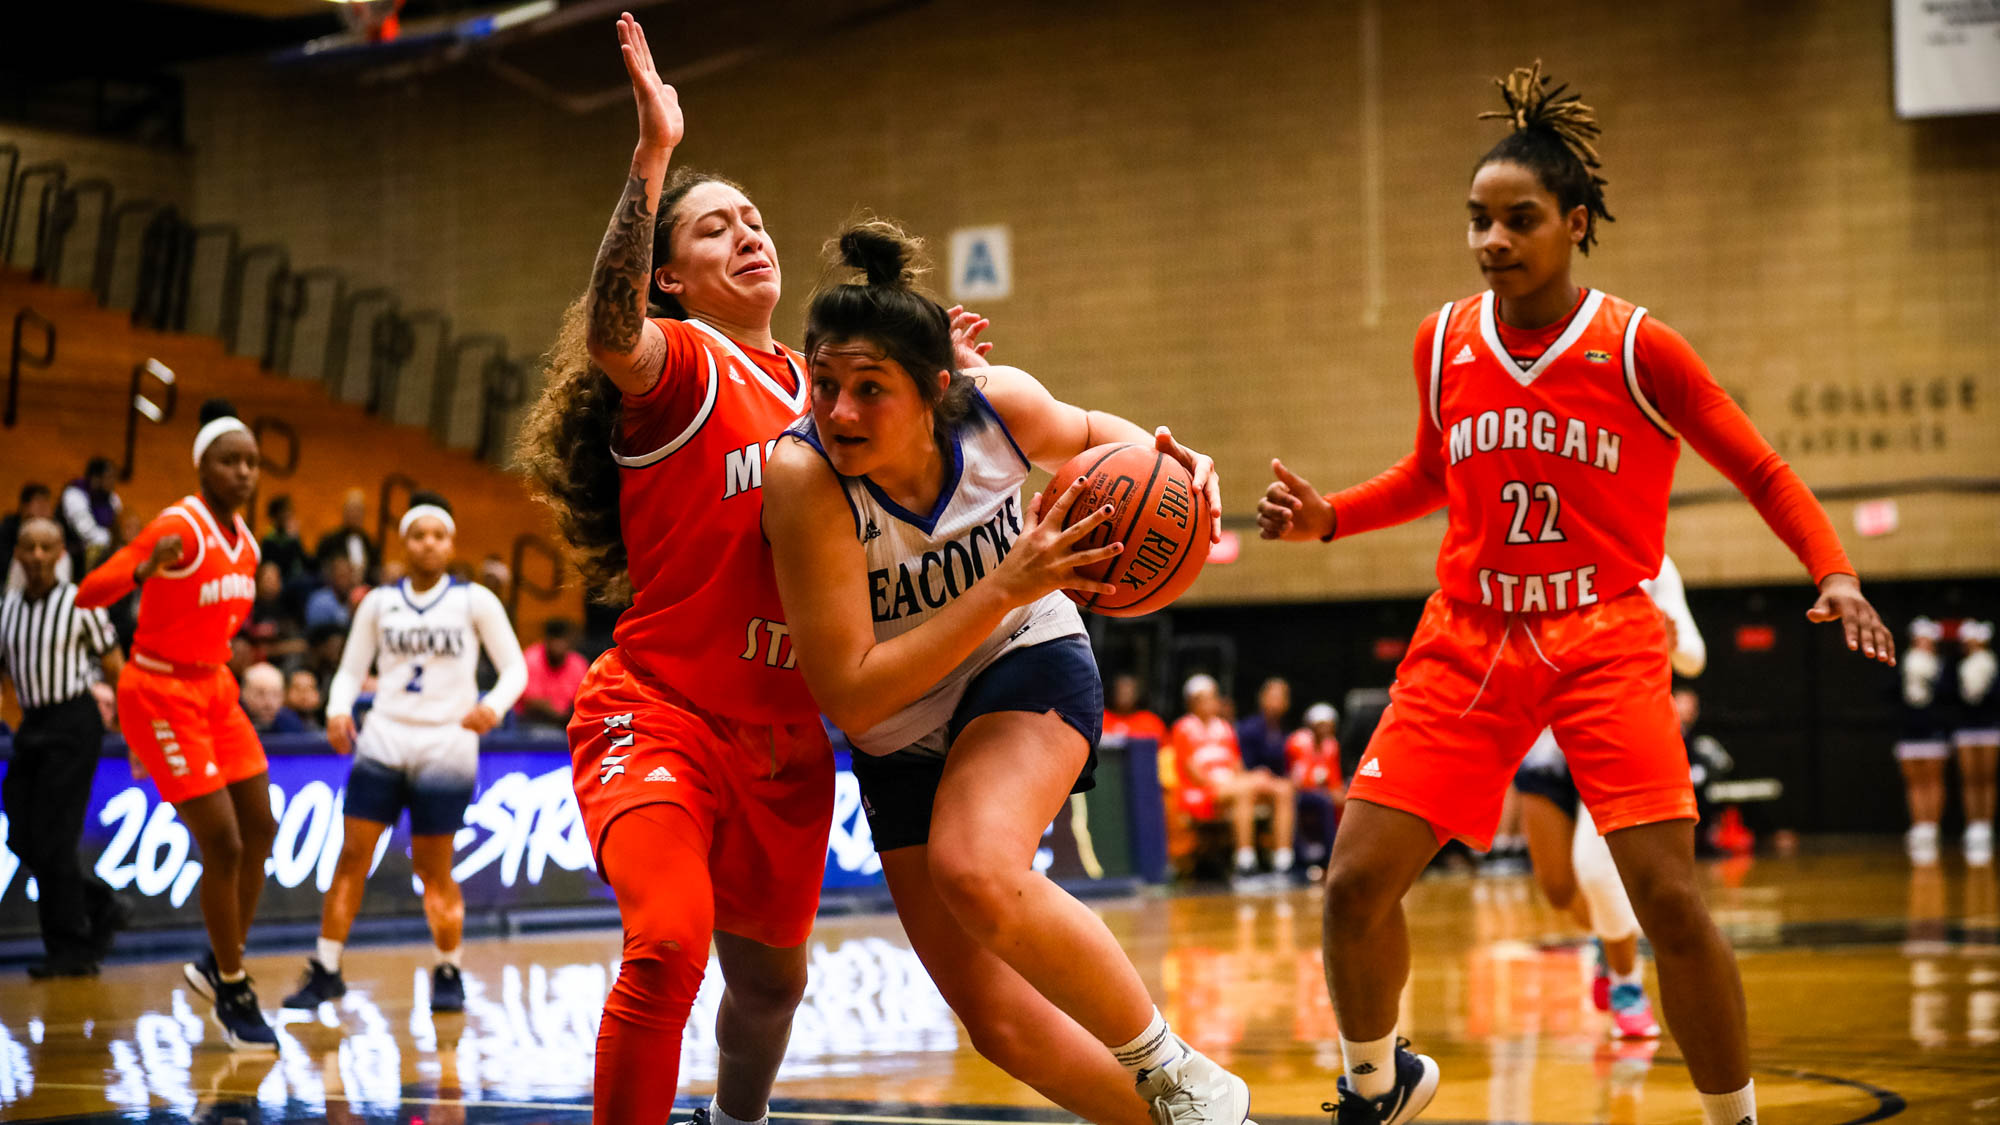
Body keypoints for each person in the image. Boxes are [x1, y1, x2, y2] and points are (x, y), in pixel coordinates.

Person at [1256, 63, 1894, 1125]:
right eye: (1475, 222)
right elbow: (1428, 476)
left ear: (1575, 223)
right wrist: (1330, 517)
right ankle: (1377, 1083)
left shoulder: (1638, 347)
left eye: (1517, 220)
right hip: (1468, 632)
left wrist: (1832, 570)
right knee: (1353, 882)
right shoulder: (1442, 341)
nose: (1490, 241)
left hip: (1602, 634)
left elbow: (1763, 471)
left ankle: (1728, 1117)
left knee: (1668, 901)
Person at [763, 221, 1244, 1125]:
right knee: (1001, 1026)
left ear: (938, 388)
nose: (841, 412)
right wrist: (1001, 580)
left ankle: (1176, 1071)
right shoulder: (806, 479)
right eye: (824, 385)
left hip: (1023, 659)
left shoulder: (998, 407)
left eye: (871, 389)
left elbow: (1107, 440)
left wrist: (1181, 467)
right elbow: (853, 692)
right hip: (894, 722)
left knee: (974, 865)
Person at [516, 16, 842, 1123]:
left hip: (789, 739)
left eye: (753, 218)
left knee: (770, 986)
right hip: (659, 716)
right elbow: (611, 332)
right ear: (672, 279)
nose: (748, 233)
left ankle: (735, 1121)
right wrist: (653, 161)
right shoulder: (680, 364)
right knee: (666, 946)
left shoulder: (824, 389)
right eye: (715, 229)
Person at [76, 399, 280, 1050]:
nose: (244, 472)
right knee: (221, 841)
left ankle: (215, 962)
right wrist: (142, 566)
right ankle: (233, 982)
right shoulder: (180, 526)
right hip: (159, 688)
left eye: (251, 461)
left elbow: (213, 615)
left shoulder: (247, 541)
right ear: (203, 467)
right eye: (230, 461)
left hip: (214, 685)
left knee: (261, 826)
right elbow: (90, 592)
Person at [283, 491, 526, 1013]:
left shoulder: (475, 600)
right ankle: (325, 967)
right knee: (352, 857)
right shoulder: (378, 602)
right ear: (405, 541)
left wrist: (496, 705)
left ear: (450, 542)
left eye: (438, 535)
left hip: (447, 742)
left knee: (433, 869)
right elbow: (349, 669)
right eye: (419, 534)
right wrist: (337, 708)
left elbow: (515, 670)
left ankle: (448, 969)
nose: (429, 543)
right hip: (384, 738)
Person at [1508, 555, 1703, 1041]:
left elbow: (1695, 658)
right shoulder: (1534, 552)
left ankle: (1626, 983)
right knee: (1557, 888)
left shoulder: (1652, 563)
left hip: (1614, 733)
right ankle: (1607, 936)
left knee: (1597, 872)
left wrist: (1671, 640)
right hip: (1546, 737)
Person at [0, 517, 128, 978]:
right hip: (33, 725)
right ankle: (100, 903)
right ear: (16, 553)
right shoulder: (7, 607)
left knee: (55, 840)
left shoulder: (81, 603)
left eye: (45, 547)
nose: (36, 556)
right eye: (28, 547)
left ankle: (70, 948)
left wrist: (136, 733)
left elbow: (117, 668)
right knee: (20, 834)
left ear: (60, 554)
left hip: (74, 722)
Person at [1172, 673, 1296, 881]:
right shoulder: (1183, 728)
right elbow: (1194, 773)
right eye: (1207, 698)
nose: (1213, 702)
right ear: (1192, 702)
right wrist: (1238, 782)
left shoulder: (1224, 727)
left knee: (1283, 788)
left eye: (1214, 697)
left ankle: (1283, 861)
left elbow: (1238, 766)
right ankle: (1245, 863)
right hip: (1202, 790)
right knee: (1245, 789)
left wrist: (1247, 778)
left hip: (1233, 785)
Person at [1895, 617, 1951, 866]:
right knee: (1914, 781)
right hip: (1909, 730)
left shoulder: (1941, 666)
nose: (1922, 643)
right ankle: (1918, 825)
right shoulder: (1903, 664)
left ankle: (1932, 826)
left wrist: (1930, 681)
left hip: (1934, 729)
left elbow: (1950, 695)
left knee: (1933, 779)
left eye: (1926, 639)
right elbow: (1890, 692)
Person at [1955, 621, 1996, 866]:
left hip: (1989, 727)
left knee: (1986, 778)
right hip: (1966, 728)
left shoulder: (1991, 664)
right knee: (1970, 778)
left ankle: (1985, 825)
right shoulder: (1957, 667)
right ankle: (1973, 825)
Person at [1286, 702, 1344, 867]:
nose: (1325, 729)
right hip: (1301, 793)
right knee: (1325, 802)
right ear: (1311, 725)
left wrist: (1337, 792)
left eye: (1328, 725)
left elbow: (1334, 778)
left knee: (1348, 800)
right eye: (1321, 725)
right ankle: (1329, 857)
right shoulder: (1298, 742)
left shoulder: (1332, 745)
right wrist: (1328, 790)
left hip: (1322, 791)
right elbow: (1299, 780)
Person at [4, 483, 81, 594]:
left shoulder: (57, 527)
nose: (38, 555)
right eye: (40, 504)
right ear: (24, 506)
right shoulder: (10, 526)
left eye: (47, 504)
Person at [518, 617, 588, 728]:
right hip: (530, 724)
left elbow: (584, 701)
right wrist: (559, 716)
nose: (559, 645)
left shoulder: (578, 664)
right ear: (547, 640)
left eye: (564, 641)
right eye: (556, 640)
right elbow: (530, 703)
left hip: (568, 723)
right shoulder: (530, 659)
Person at [61, 457, 122, 567]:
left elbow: (119, 526)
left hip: (104, 549)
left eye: (114, 477)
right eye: (109, 477)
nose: (113, 482)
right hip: (74, 550)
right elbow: (86, 532)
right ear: (95, 478)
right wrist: (111, 539)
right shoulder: (74, 494)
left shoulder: (113, 499)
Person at [312, 488, 378, 583]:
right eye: (352, 510)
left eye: (359, 510)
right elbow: (318, 568)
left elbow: (374, 572)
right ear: (344, 512)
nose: (355, 514)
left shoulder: (370, 543)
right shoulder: (329, 540)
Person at [239, 662, 306, 735]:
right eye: (260, 694)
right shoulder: (231, 722)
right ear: (244, 694)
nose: (269, 703)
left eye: (276, 694)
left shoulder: (291, 724)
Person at [1101, 672, 1167, 746]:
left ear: (1137, 693)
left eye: (1129, 690)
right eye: (1121, 689)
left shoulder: (1152, 722)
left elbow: (1164, 752)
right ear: (1113, 692)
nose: (1125, 694)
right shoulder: (1099, 719)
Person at [258, 495, 310, 586]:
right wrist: (293, 540)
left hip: (297, 580)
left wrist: (295, 539)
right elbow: (279, 565)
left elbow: (304, 560)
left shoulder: (292, 536)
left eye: (289, 511)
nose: (287, 515)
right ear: (275, 516)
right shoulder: (268, 539)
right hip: (279, 583)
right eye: (284, 511)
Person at [305, 556, 359, 631]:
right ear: (332, 578)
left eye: (349, 576)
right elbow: (319, 635)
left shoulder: (354, 599)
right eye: (342, 576)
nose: (347, 581)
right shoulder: (320, 601)